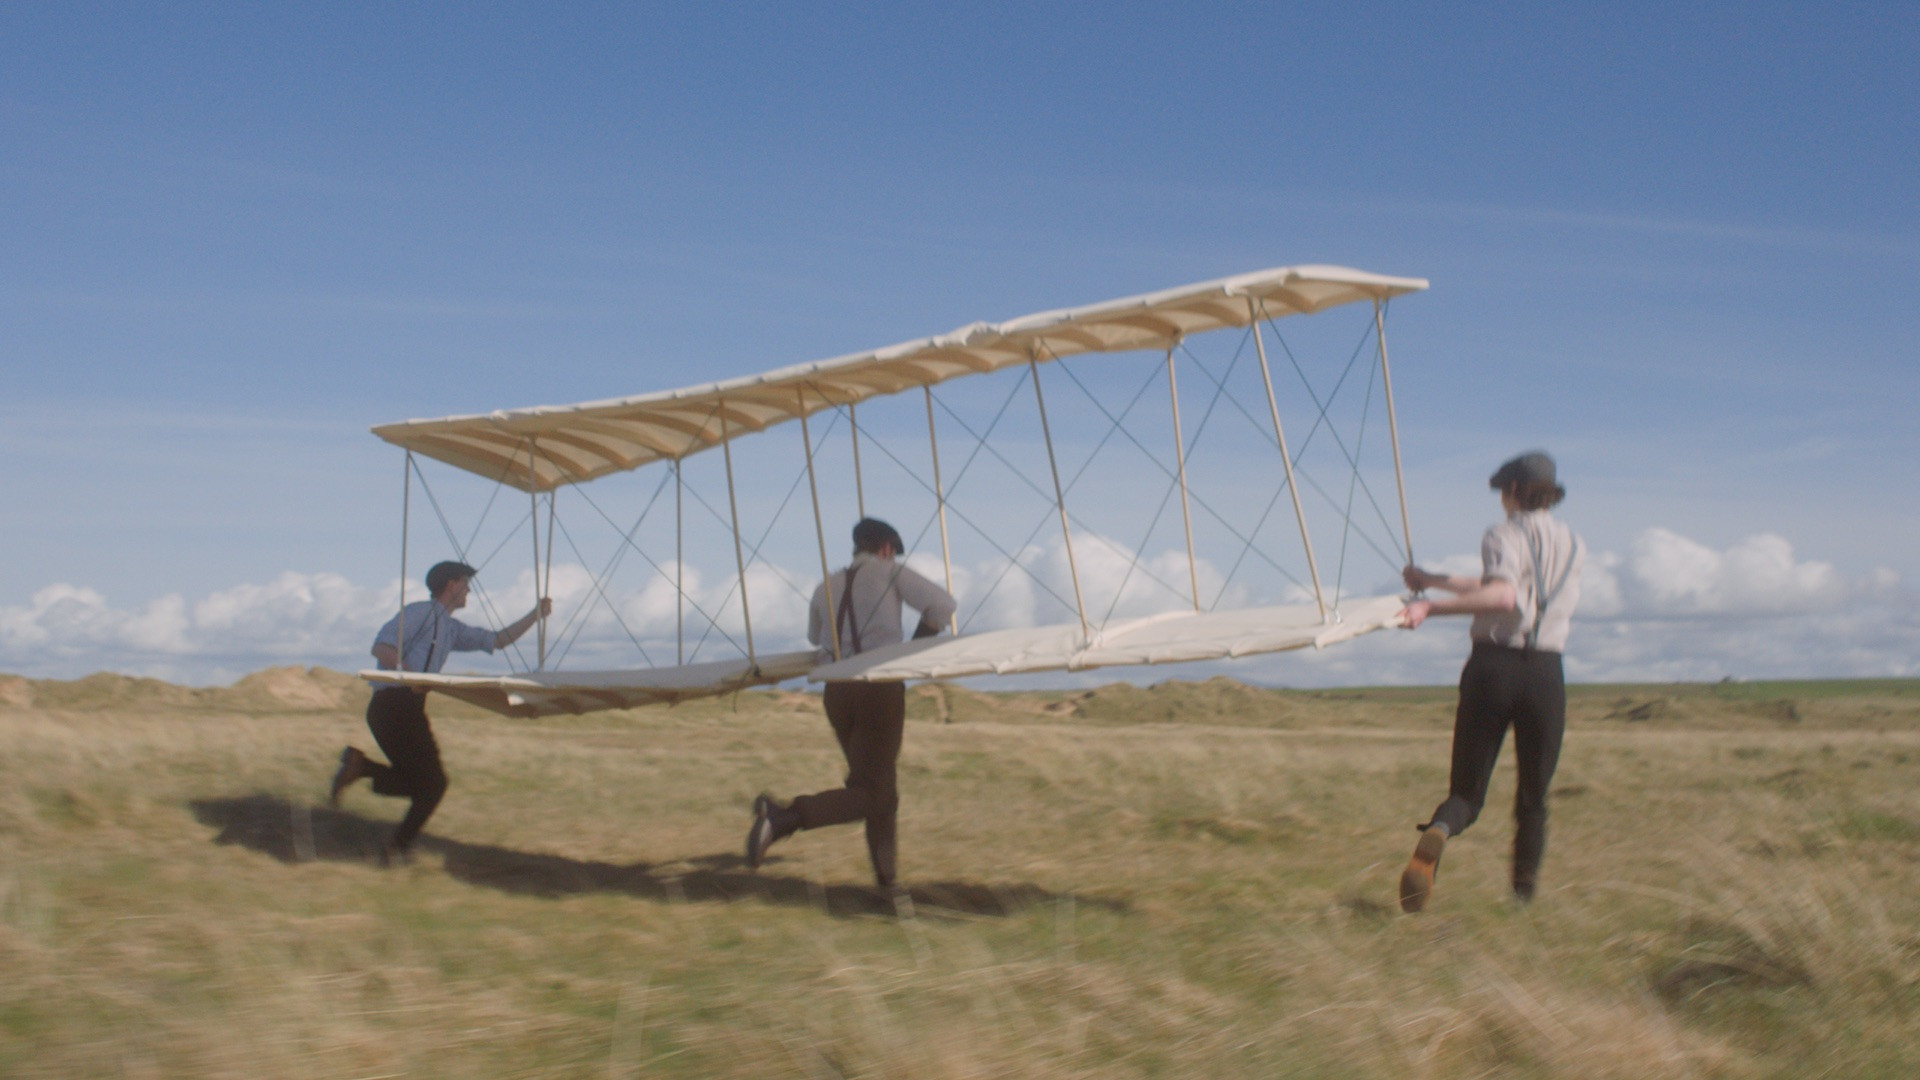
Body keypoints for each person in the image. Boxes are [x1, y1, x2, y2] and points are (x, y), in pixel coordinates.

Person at [1395, 452, 1584, 912]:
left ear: (1515, 491)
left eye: (1503, 490)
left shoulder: (1503, 534)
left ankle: (1439, 832)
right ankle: (1522, 901)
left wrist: (1427, 606)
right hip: (1545, 675)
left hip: (1493, 669)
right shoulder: (1574, 544)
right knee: (1533, 797)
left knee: (1466, 794)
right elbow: (1502, 586)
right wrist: (1432, 580)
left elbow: (1500, 594)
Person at [745, 518, 957, 888]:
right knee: (873, 793)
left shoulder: (825, 584)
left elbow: (815, 636)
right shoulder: (890, 572)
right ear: (887, 550)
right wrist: (914, 649)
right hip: (878, 686)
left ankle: (887, 884)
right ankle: (783, 818)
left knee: (880, 791)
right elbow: (942, 605)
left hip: (836, 691)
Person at [329, 560, 552, 863]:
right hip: (394, 705)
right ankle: (395, 850)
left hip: (404, 709)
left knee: (424, 785)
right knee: (433, 787)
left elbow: (498, 640)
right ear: (452, 584)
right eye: (466, 583)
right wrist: (410, 677)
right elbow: (381, 647)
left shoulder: (451, 628)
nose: (470, 590)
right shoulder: (419, 613)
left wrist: (536, 614)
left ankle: (361, 768)